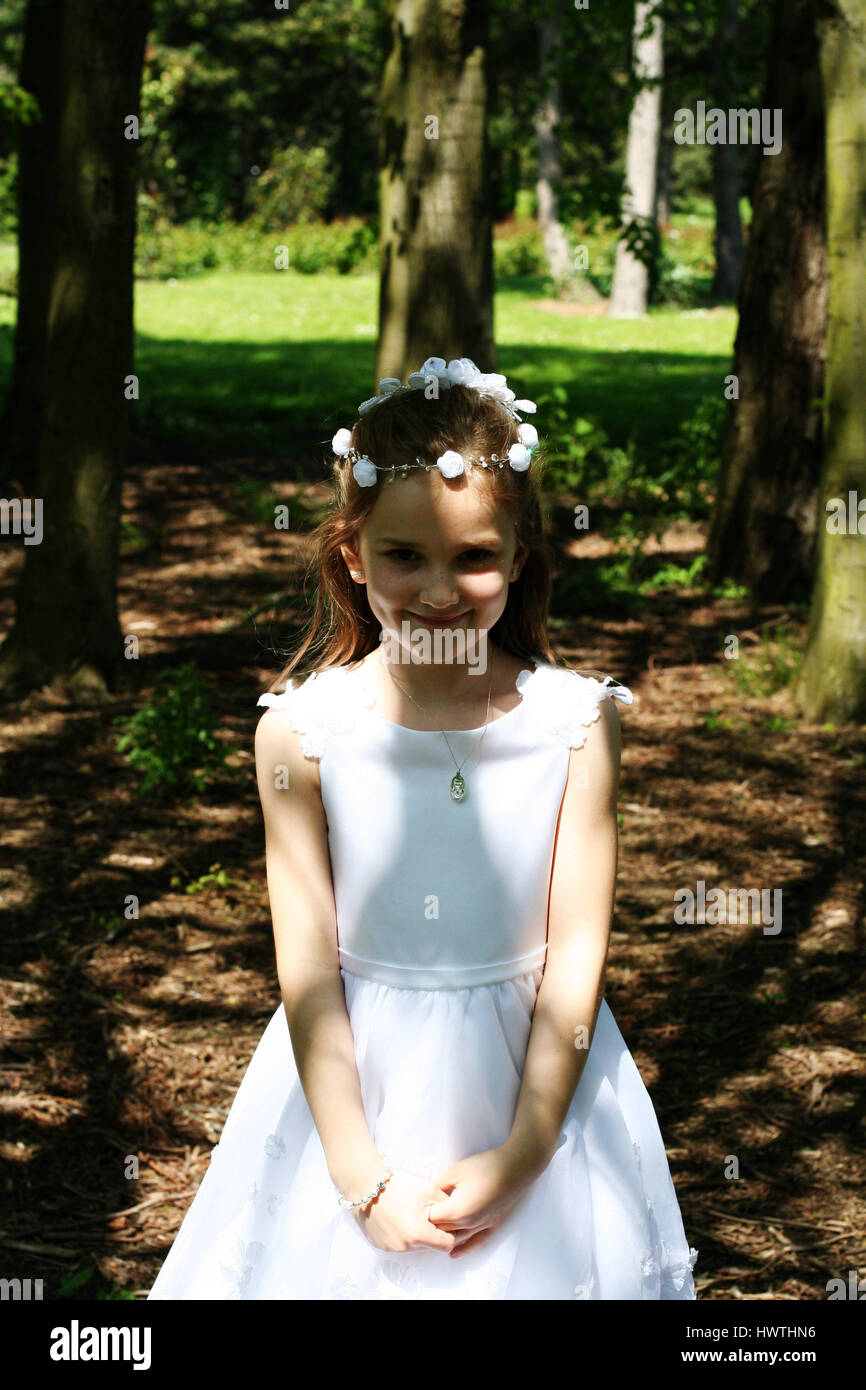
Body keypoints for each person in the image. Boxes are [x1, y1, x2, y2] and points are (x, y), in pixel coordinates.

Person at [147, 356, 697, 1300]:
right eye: (406, 556)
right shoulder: (303, 735)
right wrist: (363, 1181)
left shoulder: (574, 725)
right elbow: (309, 972)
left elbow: (577, 958)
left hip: (538, 1090)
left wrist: (525, 1151)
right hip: (353, 1096)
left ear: (517, 559)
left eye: (474, 557)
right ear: (353, 558)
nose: (440, 589)